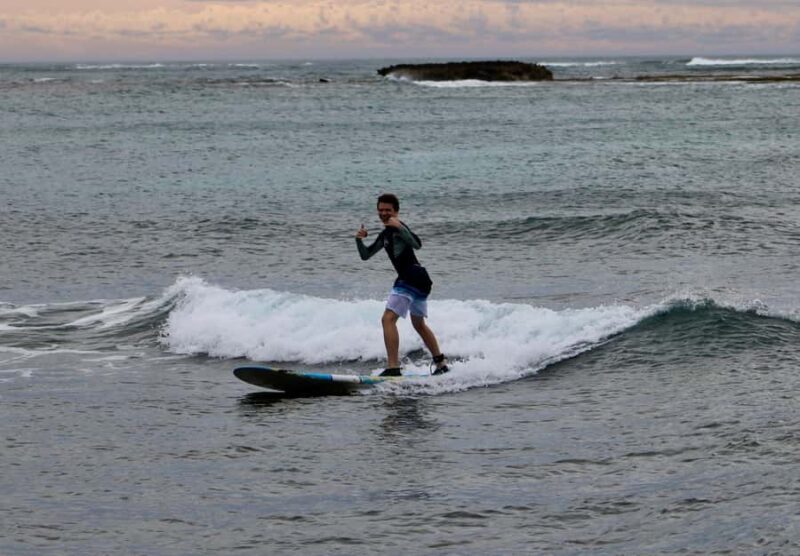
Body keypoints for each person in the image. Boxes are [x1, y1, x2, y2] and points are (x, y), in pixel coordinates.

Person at [355, 193, 449, 376]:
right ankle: (441, 363)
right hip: (420, 280)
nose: (383, 213)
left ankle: (393, 368)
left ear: (396, 211)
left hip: (411, 277)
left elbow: (417, 244)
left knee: (387, 319)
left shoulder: (398, 227)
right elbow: (366, 255)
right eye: (380, 210)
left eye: (388, 210)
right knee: (419, 324)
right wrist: (359, 240)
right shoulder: (385, 234)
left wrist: (400, 226)